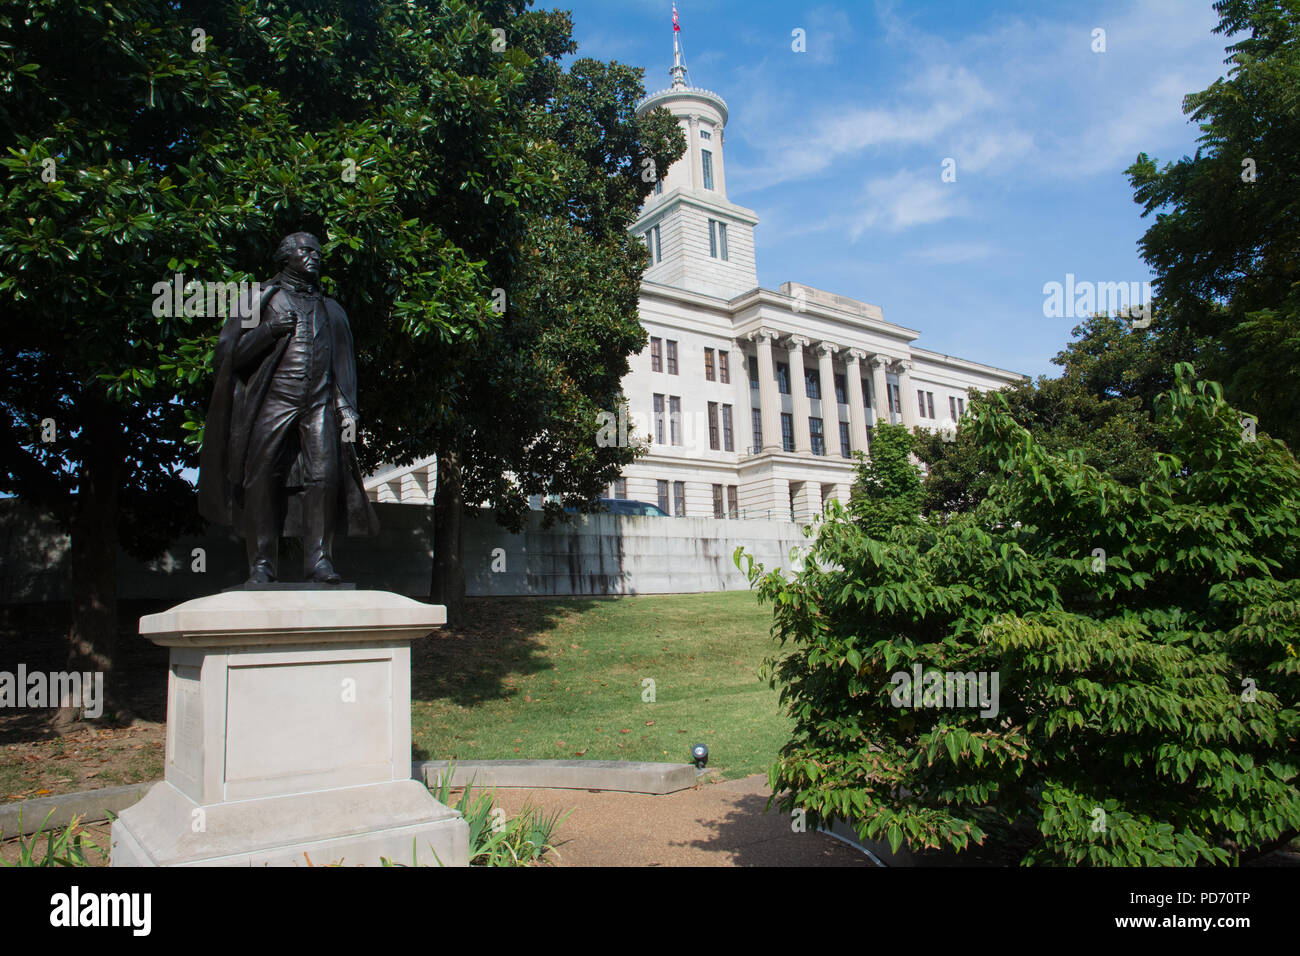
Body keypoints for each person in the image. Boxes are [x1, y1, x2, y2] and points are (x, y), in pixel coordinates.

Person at [197, 232, 378, 584]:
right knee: (261, 476)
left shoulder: (332, 309)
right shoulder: (260, 298)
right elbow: (226, 358)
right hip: (274, 399)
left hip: (320, 403)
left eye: (317, 252)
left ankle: (319, 561)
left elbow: (342, 365)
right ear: (285, 257)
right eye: (305, 250)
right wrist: (267, 330)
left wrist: (346, 406)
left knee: (325, 477)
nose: (314, 256)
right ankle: (262, 565)